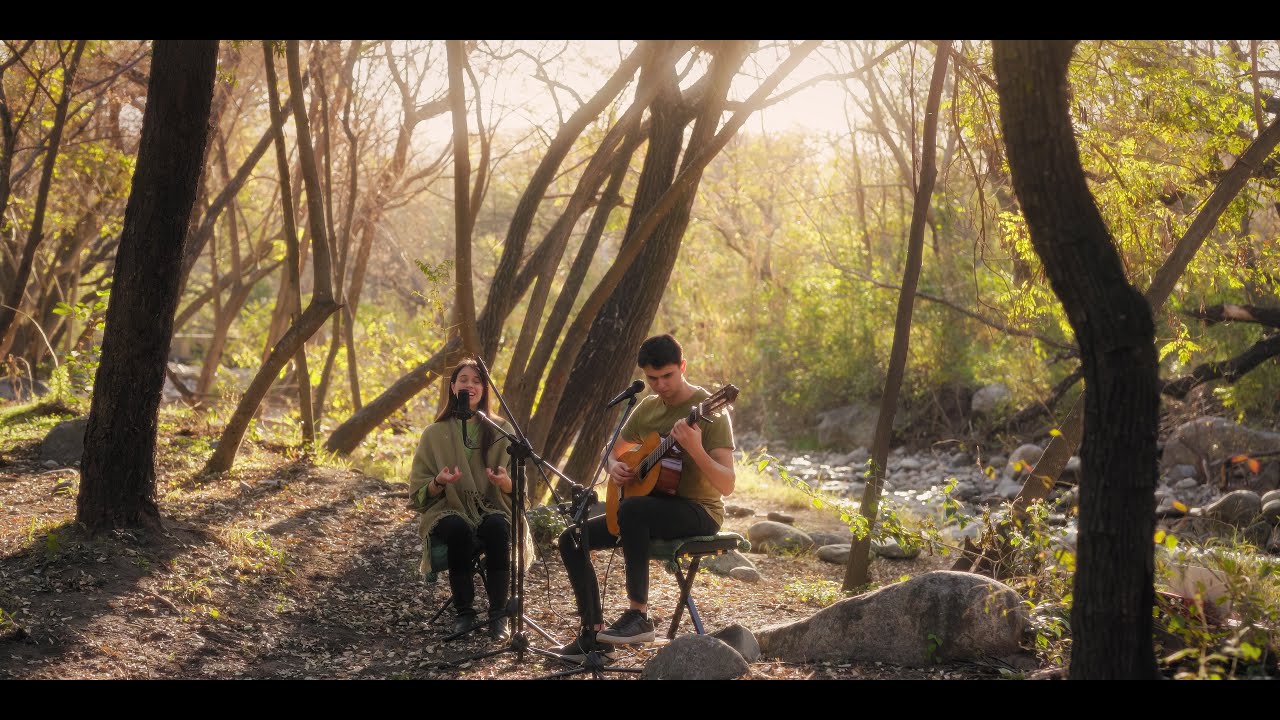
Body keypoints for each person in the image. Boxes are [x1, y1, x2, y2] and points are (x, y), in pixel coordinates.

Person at [552, 334, 735, 661]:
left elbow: (727, 484)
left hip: (699, 511)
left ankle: (639, 615)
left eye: (668, 376)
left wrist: (694, 447)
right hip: (649, 509)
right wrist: (613, 466)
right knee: (572, 538)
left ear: (683, 367)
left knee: (633, 508)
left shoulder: (711, 411)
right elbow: (612, 449)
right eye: (652, 378)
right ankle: (593, 637)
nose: (661, 385)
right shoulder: (648, 407)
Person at [408, 358, 517, 642]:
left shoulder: (501, 429)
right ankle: (464, 613)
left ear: (485, 389)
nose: (470, 385)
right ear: (453, 387)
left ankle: (498, 616)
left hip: (490, 506)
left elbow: (518, 490)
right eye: (464, 380)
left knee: (496, 527)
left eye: (477, 381)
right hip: (447, 508)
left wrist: (505, 482)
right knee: (457, 529)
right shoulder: (434, 433)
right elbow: (418, 495)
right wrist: (439, 482)